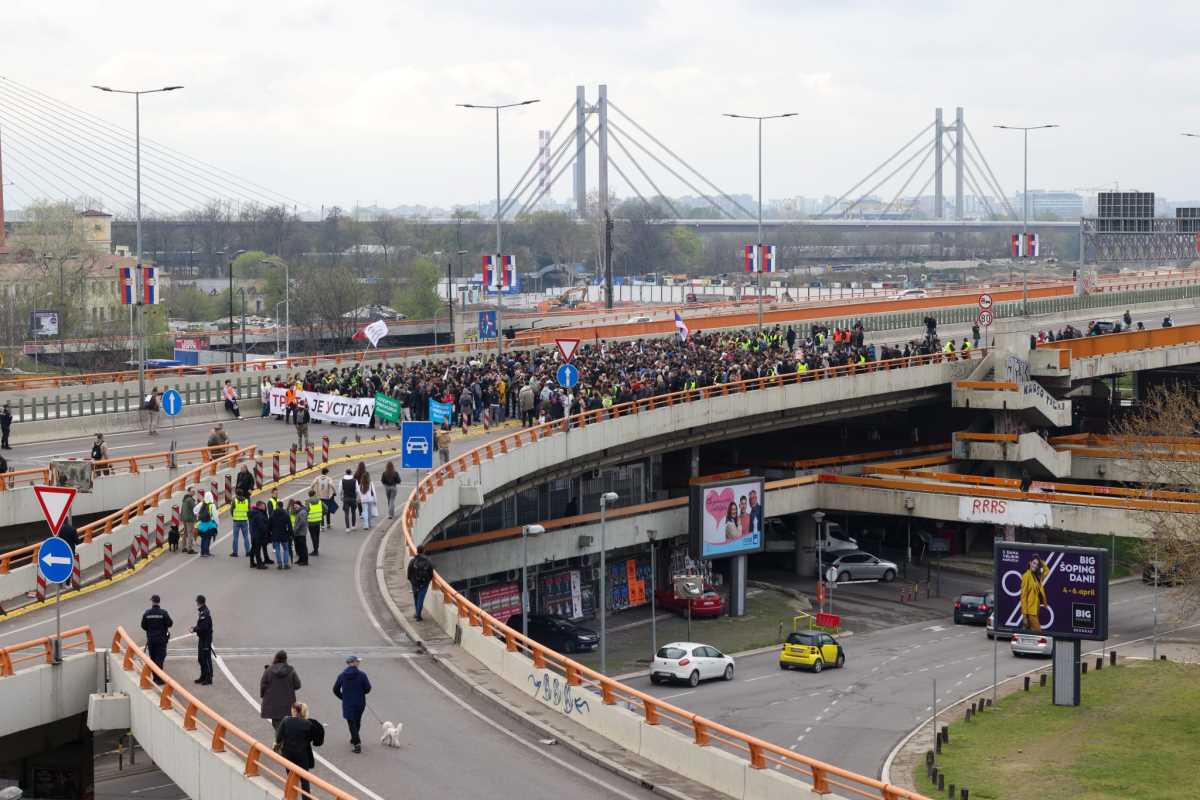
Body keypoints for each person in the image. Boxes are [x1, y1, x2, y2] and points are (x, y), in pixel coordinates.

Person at [275, 702, 324, 795]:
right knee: (304, 779)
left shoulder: (286, 720)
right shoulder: (308, 724)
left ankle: (290, 796)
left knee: (291, 777)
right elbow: (313, 738)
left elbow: (278, 738)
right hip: (302, 753)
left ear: (293, 711)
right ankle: (306, 798)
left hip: (288, 753)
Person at [332, 655, 372, 753]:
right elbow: (368, 688)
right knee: (357, 720)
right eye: (357, 661)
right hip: (360, 702)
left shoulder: (342, 676)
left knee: (351, 722)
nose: (358, 663)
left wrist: (343, 697)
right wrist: (361, 691)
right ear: (352, 663)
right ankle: (355, 738)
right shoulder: (362, 675)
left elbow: (335, 689)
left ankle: (356, 742)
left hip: (348, 703)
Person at [260, 650, 301, 731]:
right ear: (285, 659)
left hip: (273, 704)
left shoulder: (269, 670)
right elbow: (297, 685)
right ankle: (284, 737)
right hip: (287, 704)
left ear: (275, 658)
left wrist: (263, 696)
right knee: (287, 725)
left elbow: (263, 686)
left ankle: (281, 738)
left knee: (277, 725)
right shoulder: (291, 670)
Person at [140, 594, 173, 684]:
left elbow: (143, 626)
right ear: (159, 602)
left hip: (151, 639)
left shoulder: (147, 613)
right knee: (160, 658)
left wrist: (150, 630)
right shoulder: (163, 613)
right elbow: (170, 623)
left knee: (153, 658)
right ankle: (159, 678)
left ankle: (155, 678)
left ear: (152, 602)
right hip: (161, 640)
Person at [1019, 556, 1049, 633]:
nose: (1035, 566)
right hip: (1030, 612)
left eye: (1037, 564)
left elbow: (1047, 571)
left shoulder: (1037, 577)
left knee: (1032, 634)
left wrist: (1040, 561)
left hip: (1036, 610)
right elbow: (1023, 597)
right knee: (1039, 633)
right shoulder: (1026, 576)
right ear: (1030, 563)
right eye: (1034, 563)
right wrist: (1024, 616)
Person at [406, 545, 434, 621]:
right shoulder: (428, 561)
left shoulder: (413, 561)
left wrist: (412, 581)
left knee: (416, 598)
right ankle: (418, 615)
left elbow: (409, 573)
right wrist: (427, 582)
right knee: (420, 599)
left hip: (415, 583)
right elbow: (431, 574)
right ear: (424, 551)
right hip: (424, 584)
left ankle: (417, 613)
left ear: (417, 551)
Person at [191, 594, 213, 685]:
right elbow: (201, 625)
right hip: (202, 638)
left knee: (206, 658)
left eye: (197, 601)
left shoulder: (205, 613)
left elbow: (204, 627)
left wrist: (194, 629)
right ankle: (203, 676)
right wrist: (195, 628)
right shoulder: (202, 612)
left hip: (206, 639)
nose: (196, 603)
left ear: (199, 602)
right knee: (201, 658)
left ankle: (209, 678)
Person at [194, 491, 219, 557]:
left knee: (203, 538)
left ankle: (202, 552)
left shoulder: (202, 503)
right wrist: (217, 524)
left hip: (202, 524)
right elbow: (215, 516)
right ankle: (206, 552)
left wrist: (198, 516)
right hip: (209, 524)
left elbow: (194, 510)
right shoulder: (212, 505)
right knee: (208, 538)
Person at [270, 501, 293, 569]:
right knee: (286, 549)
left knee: (277, 549)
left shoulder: (273, 514)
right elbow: (289, 526)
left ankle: (279, 564)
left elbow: (269, 525)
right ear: (282, 506)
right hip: (284, 534)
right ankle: (286, 564)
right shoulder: (286, 514)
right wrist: (290, 534)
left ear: (277, 506)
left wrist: (270, 533)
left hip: (275, 534)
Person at [248, 500, 270, 569]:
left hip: (254, 533)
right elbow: (261, 525)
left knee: (254, 548)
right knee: (257, 549)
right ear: (259, 506)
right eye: (263, 506)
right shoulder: (258, 514)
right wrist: (266, 529)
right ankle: (259, 564)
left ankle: (252, 562)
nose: (265, 507)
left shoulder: (253, 512)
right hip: (258, 534)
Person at [230, 489, 251, 558]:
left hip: (236, 521)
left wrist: (233, 516)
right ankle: (248, 551)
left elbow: (231, 510)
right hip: (244, 520)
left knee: (235, 537)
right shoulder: (246, 501)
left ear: (236, 494)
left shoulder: (234, 501)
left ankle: (235, 552)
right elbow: (249, 510)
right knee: (246, 537)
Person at [290, 500, 310, 565]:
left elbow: (302, 522)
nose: (295, 507)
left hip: (301, 532)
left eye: (296, 505)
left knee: (303, 547)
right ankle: (301, 559)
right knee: (299, 547)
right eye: (294, 506)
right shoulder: (299, 512)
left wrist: (296, 529)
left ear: (300, 505)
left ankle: (305, 561)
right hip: (298, 533)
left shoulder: (302, 512)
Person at [180, 487, 198, 554]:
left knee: (185, 532)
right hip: (189, 518)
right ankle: (189, 549)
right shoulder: (190, 500)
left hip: (184, 518)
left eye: (194, 491)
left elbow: (182, 509)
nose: (194, 492)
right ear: (189, 492)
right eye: (192, 491)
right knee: (190, 533)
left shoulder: (185, 499)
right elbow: (195, 508)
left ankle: (183, 547)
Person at [306, 490, 324, 556]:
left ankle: (315, 550)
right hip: (318, 521)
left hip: (311, 521)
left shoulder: (308, 501)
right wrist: (321, 514)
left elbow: (306, 510)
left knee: (313, 536)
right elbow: (326, 508)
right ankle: (316, 549)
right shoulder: (319, 501)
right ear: (314, 494)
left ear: (309, 495)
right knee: (317, 535)